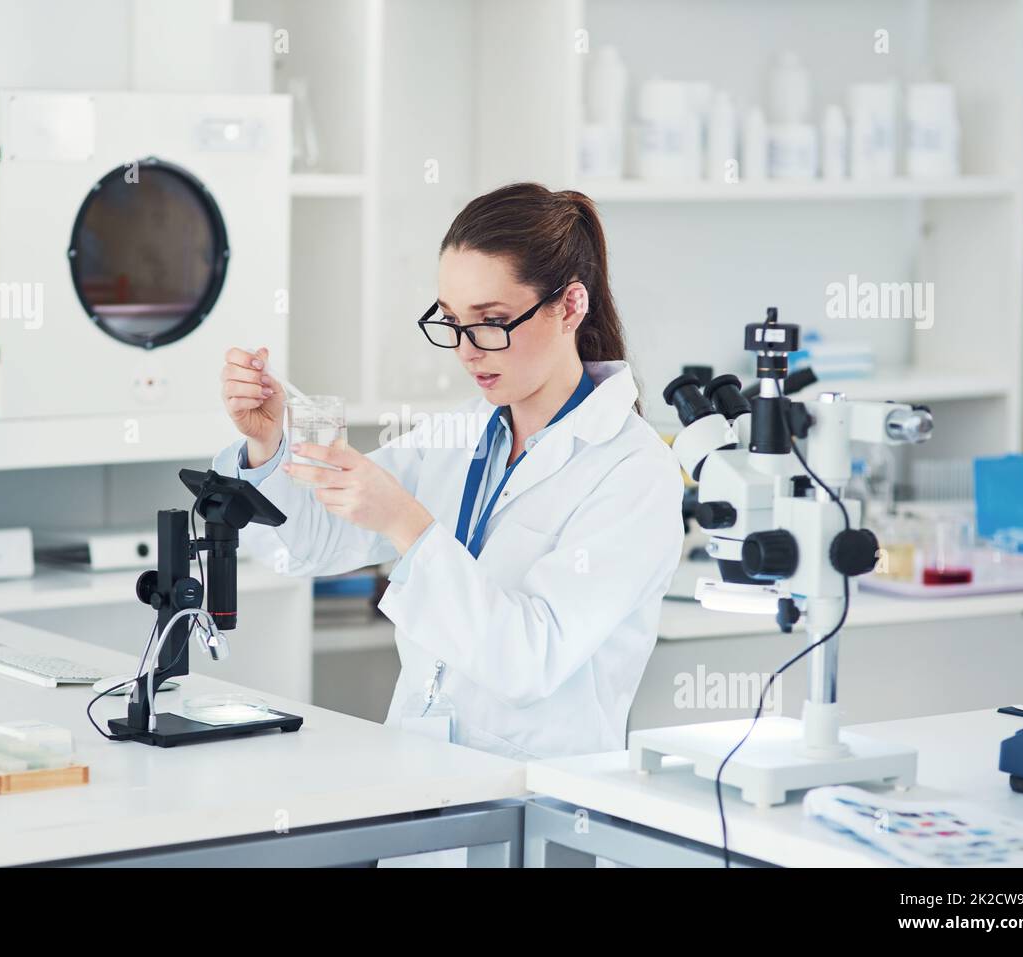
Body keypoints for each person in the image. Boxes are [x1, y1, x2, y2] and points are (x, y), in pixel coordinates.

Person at [214, 182, 683, 762]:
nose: (467, 350)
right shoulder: (460, 434)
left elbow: (529, 658)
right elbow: (309, 547)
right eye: (453, 322)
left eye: (491, 320)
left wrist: (405, 522)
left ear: (569, 307)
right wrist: (268, 444)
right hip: (419, 772)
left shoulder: (634, 472)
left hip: (539, 795)